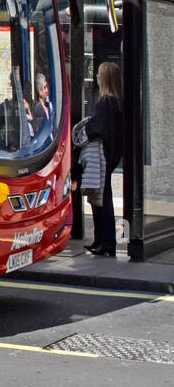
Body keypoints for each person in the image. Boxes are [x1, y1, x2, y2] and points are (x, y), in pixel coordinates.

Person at [83, 61, 123, 257]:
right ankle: (102, 241)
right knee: (102, 197)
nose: (96, 77)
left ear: (105, 78)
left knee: (101, 199)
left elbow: (96, 129)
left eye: (99, 74)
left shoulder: (106, 102)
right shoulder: (117, 102)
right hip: (111, 155)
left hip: (102, 156)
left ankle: (105, 241)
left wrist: (86, 127)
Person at [30, 72, 54, 136]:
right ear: (40, 92)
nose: (47, 90)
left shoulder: (49, 106)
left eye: (47, 87)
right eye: (44, 88)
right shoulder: (38, 108)